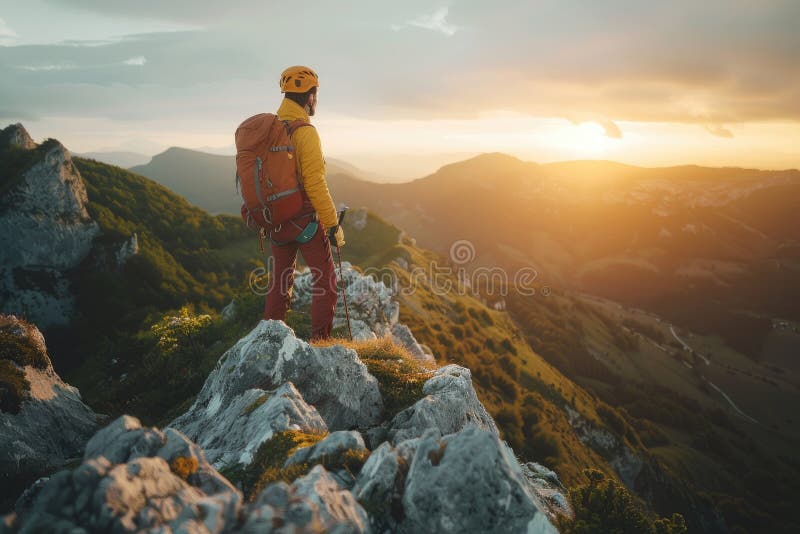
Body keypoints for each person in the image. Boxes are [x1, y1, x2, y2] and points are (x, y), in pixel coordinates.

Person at [264, 65, 345, 340]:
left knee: (279, 284)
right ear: (310, 96)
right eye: (315, 93)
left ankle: (269, 340)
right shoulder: (305, 132)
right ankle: (319, 343)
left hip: (275, 218)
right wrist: (333, 224)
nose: (316, 100)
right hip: (305, 222)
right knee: (326, 283)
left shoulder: (271, 127)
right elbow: (314, 183)